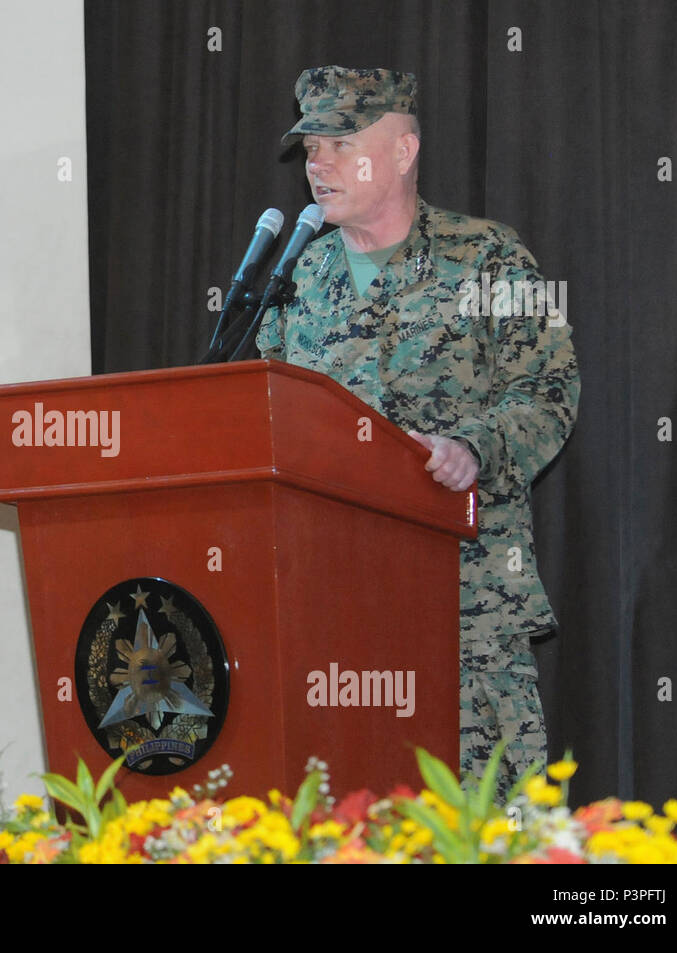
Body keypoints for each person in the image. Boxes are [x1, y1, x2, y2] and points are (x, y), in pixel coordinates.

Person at [257, 66, 580, 802]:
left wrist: (475, 449)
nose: (318, 163)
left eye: (341, 141)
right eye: (311, 146)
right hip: (328, 617)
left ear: (403, 152)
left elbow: (549, 390)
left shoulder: (488, 258)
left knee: (491, 833)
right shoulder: (294, 279)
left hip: (466, 615)